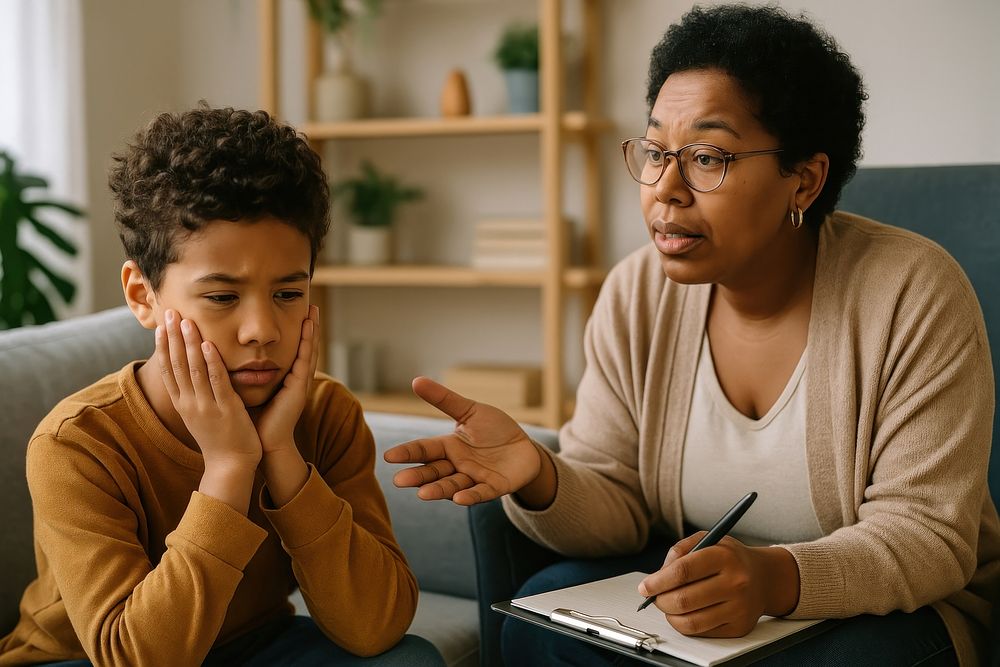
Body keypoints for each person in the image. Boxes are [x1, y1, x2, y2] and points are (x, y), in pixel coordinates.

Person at [384, 5, 999, 666]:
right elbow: (617, 501)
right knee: (543, 618)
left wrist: (772, 578)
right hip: (703, 599)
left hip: (883, 612)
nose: (664, 190)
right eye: (654, 152)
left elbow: (928, 534)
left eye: (707, 157)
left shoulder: (914, 292)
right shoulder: (635, 293)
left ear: (805, 178)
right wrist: (539, 474)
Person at [0, 106, 444, 666]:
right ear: (143, 295)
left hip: (248, 643)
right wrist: (231, 465)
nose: (262, 331)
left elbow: (375, 626)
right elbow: (137, 657)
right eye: (222, 297)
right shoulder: (78, 443)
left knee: (411, 660)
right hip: (84, 660)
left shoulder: (325, 412)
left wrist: (281, 455)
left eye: (288, 294)